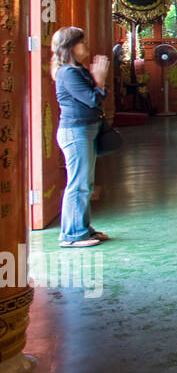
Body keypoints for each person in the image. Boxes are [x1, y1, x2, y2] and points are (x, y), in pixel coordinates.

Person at [50, 27, 112, 248]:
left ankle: (83, 228)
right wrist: (100, 80)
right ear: (70, 47)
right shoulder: (68, 73)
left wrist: (98, 81)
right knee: (78, 184)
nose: (86, 45)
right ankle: (72, 234)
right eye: (81, 42)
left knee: (86, 182)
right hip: (75, 132)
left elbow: (99, 94)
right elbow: (93, 99)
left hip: (86, 129)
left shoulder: (78, 70)